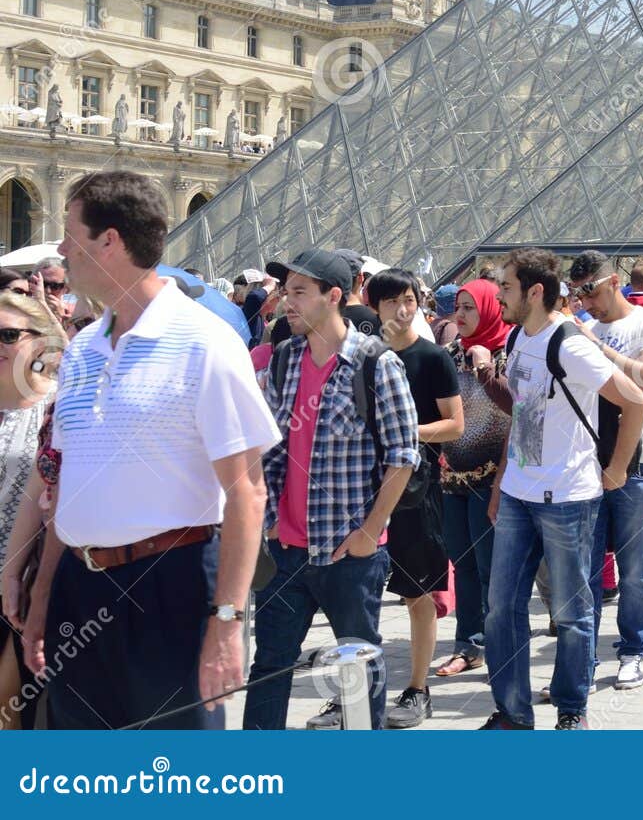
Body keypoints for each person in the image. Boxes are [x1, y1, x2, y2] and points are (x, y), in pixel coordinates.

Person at [41, 172, 277, 730]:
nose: (61, 249)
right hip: (79, 590)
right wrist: (43, 598)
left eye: (69, 233)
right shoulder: (80, 352)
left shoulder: (205, 342)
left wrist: (226, 622)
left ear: (109, 241)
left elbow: (247, 491)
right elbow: (64, 485)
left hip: (168, 588)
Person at [246, 249, 419, 731]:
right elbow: (272, 450)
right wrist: (272, 521)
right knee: (269, 668)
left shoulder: (376, 364)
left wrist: (369, 532)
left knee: (358, 669)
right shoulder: (284, 360)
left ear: (334, 296)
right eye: (285, 291)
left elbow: (403, 457)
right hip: (287, 551)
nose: (286, 302)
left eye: (299, 292)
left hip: (350, 553)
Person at [483, 249, 643, 730]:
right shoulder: (518, 335)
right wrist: (501, 482)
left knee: (572, 612)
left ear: (535, 291)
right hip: (518, 491)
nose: (498, 296)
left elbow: (635, 401)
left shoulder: (570, 344)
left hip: (568, 499)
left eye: (507, 287)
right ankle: (512, 712)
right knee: (500, 609)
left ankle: (572, 710)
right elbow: (523, 414)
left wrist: (616, 469)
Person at [564, 251, 643, 692]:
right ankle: (584, 662)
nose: (584, 300)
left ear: (613, 281)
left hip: (635, 464)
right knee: (584, 570)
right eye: (576, 293)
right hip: (584, 463)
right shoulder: (575, 327)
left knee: (633, 569)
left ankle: (632, 651)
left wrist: (598, 348)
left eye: (588, 290)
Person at [367, 268, 463, 728]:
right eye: (392, 302)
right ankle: (355, 689)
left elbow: (456, 424)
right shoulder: (366, 358)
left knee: (418, 593)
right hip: (368, 490)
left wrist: (405, 433)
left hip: (418, 492)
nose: (403, 310)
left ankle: (417, 686)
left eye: (409, 301)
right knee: (358, 594)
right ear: (376, 308)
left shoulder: (433, 358)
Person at [435, 278, 511, 678]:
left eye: (470, 308)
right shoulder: (447, 355)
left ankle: (496, 640)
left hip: (493, 478)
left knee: (490, 566)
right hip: (453, 478)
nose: (460, 315)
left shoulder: (507, 352)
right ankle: (467, 643)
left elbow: (517, 412)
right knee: (462, 563)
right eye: (458, 307)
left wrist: (483, 366)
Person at [0, 292, 64, 729]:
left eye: (7, 334)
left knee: (12, 706)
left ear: (39, 343)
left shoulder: (59, 406)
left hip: (27, 583)